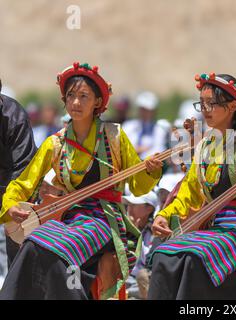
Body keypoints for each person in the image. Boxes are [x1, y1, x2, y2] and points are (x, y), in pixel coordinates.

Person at [0, 62, 163, 300]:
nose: (75, 102)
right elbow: (23, 182)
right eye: (71, 96)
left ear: (97, 102)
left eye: (83, 96)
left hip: (105, 218)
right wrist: (11, 203)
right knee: (33, 243)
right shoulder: (55, 143)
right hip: (68, 217)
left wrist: (150, 170)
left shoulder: (115, 137)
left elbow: (138, 185)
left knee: (59, 250)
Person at [147, 73, 236, 300]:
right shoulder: (205, 146)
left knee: (194, 256)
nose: (205, 109)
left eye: (211, 104)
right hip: (211, 223)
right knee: (163, 254)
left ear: (231, 106)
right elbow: (188, 195)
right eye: (202, 104)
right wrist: (164, 214)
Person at [0, 79, 37, 287]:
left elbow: (22, 168)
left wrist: (8, 206)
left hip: (14, 188)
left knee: (17, 233)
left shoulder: (14, 116)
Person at [122, 91, 171, 160]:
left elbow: (158, 151)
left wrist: (135, 150)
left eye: (148, 110)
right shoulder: (128, 126)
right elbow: (123, 149)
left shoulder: (160, 129)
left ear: (154, 111)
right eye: (143, 109)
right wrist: (140, 149)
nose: (145, 113)